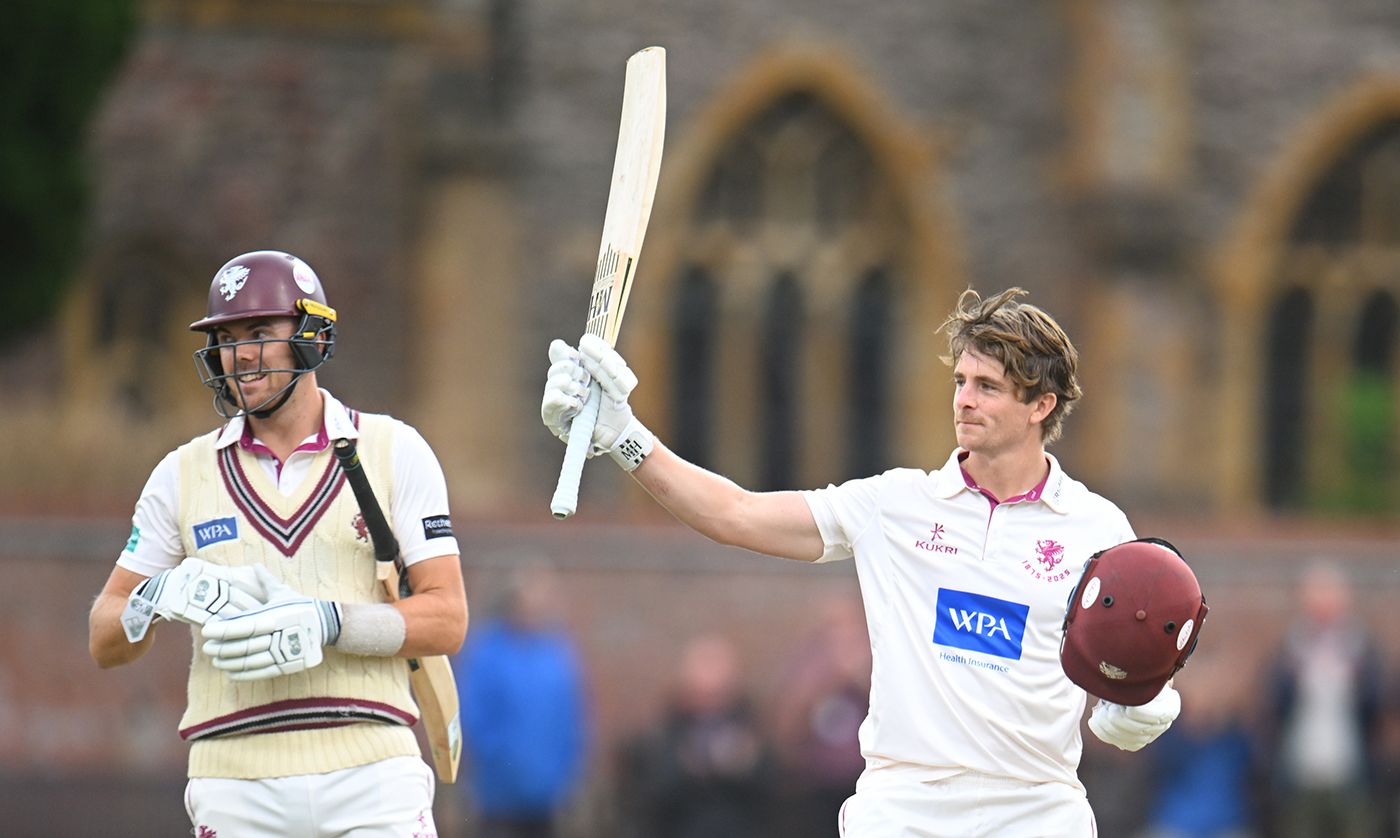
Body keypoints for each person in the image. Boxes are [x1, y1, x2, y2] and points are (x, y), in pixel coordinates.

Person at [541, 287, 1182, 835]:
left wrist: (1141, 703)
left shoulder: (1099, 529)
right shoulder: (896, 505)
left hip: (1036, 810)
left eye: (988, 387)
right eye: (961, 382)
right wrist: (623, 436)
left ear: (1041, 405)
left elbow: (1121, 696)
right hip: (903, 809)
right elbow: (734, 515)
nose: (964, 400)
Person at [88, 250, 468, 837]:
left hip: (371, 772)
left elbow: (447, 618)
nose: (240, 354)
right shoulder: (181, 473)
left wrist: (331, 623)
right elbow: (104, 636)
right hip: (234, 782)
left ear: (312, 337)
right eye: (227, 337)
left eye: (261, 332)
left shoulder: (395, 450)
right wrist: (155, 595)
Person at [457, 563, 589, 838]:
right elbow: (474, 717)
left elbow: (572, 717)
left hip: (548, 794)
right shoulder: (487, 652)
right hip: (499, 795)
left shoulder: (557, 652)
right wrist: (500, 761)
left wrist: (568, 769)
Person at [1262, 560, 1383, 838]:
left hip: (1351, 771)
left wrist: (1357, 679)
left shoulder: (1361, 645)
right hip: (1300, 771)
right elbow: (1273, 703)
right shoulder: (1291, 645)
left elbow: (1377, 704)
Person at [622, 634, 775, 838]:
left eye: (717, 693)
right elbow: (647, 796)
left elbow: (776, 794)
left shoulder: (752, 729)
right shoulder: (663, 733)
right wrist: (686, 766)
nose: (709, 703)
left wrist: (747, 765)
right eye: (701, 693)